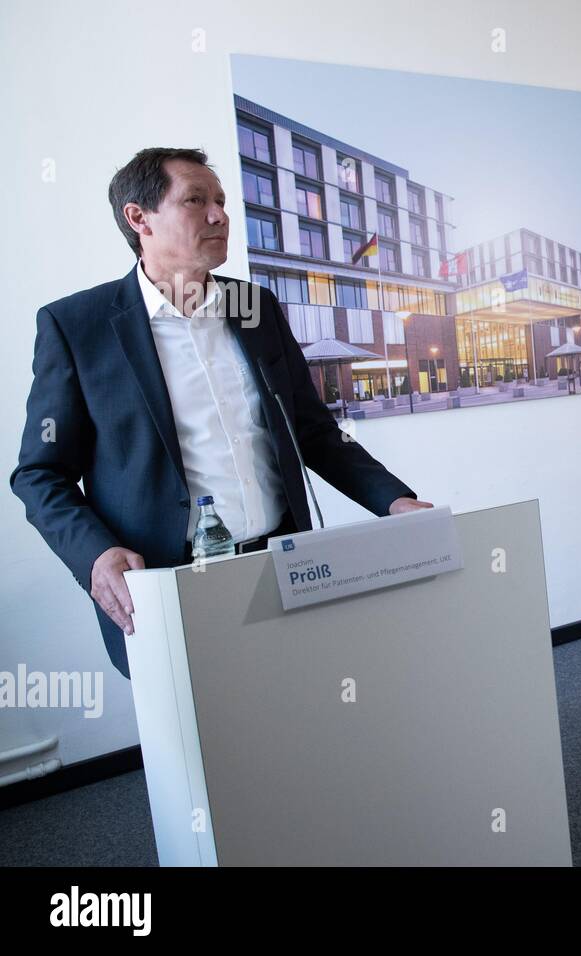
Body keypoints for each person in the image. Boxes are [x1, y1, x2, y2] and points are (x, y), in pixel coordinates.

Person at [10, 147, 433, 679]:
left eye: (221, 201)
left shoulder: (255, 309)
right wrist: (95, 556)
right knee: (204, 754)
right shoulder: (77, 327)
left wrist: (392, 500)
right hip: (170, 588)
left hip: (284, 567)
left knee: (302, 726)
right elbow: (39, 473)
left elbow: (313, 429)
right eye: (195, 200)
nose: (219, 215)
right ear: (138, 218)